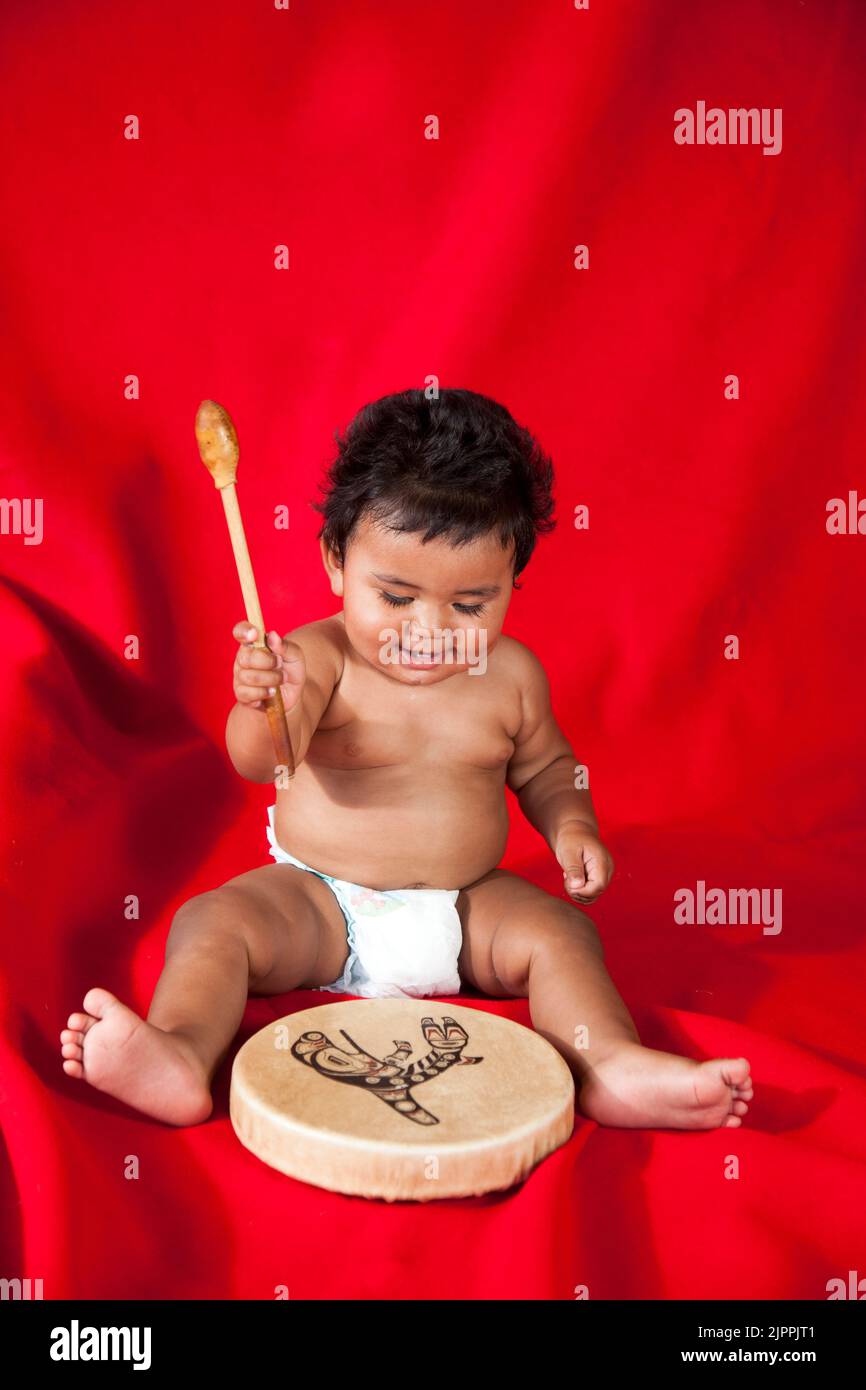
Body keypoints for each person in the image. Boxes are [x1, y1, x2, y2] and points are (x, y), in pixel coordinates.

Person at [60, 387, 752, 1129]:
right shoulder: (315, 658)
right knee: (213, 923)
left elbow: (548, 768)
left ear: (513, 579)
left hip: (466, 906)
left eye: (469, 605)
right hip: (321, 904)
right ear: (336, 563)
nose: (429, 629)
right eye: (394, 597)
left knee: (563, 935)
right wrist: (268, 702)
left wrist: (572, 827)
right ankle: (182, 1052)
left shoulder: (511, 677)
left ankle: (608, 1063)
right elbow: (262, 761)